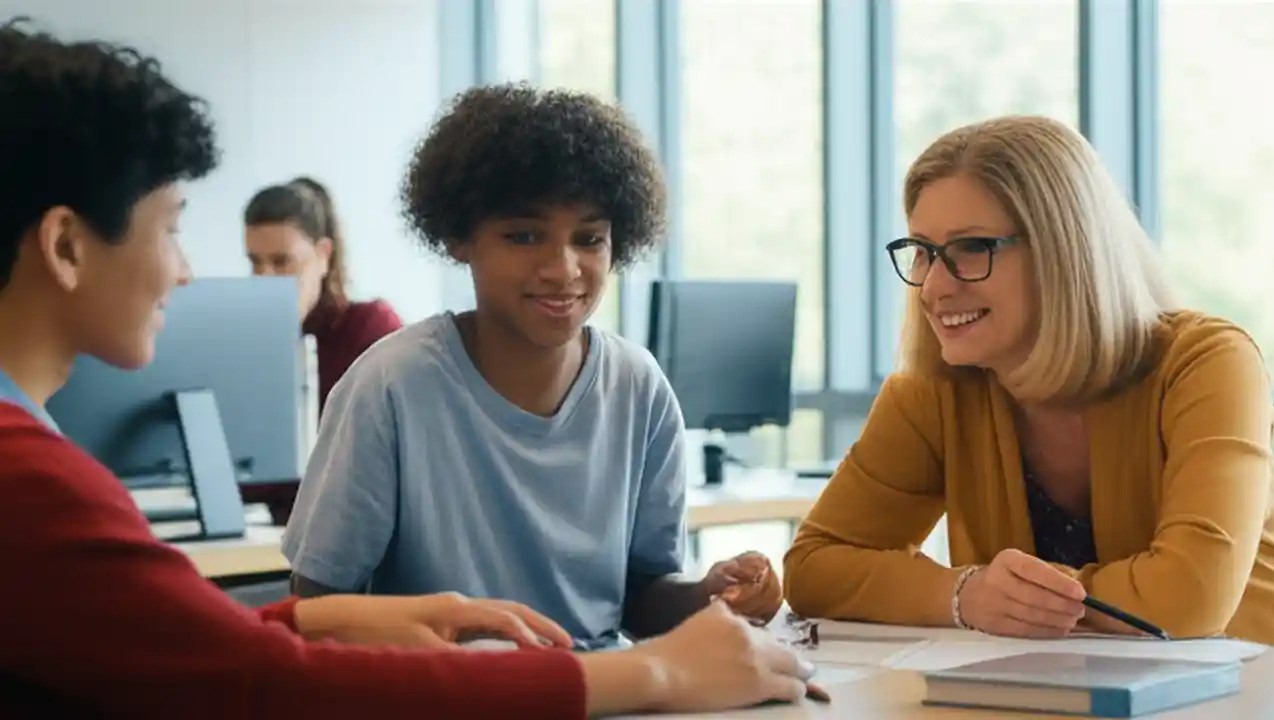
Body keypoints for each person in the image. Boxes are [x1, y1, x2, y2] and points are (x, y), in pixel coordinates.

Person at [0, 20, 817, 716]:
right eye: (173, 227)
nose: (185, 270)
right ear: (67, 245)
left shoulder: (31, 463)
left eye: (590, 238)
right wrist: (655, 672)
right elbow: (257, 680)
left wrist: (333, 625)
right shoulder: (27, 480)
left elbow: (209, 643)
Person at [283, 84, 785, 648]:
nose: (563, 268)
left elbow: (639, 597)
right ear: (458, 237)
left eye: (589, 239)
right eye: (524, 236)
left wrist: (708, 596)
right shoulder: (391, 385)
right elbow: (318, 605)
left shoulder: (639, 388)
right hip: (451, 693)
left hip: (609, 690)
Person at [783, 115, 1274, 644]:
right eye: (924, 251)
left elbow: (1190, 597)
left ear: (1065, 250)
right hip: (1045, 692)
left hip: (1239, 689)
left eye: (971, 247)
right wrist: (966, 594)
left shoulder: (1208, 364)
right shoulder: (935, 390)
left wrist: (1021, 601)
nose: (932, 287)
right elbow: (814, 568)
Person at [240, 178, 403, 524]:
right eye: (255, 262)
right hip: (270, 534)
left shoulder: (369, 330)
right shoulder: (245, 348)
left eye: (283, 262)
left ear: (323, 255)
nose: (265, 279)